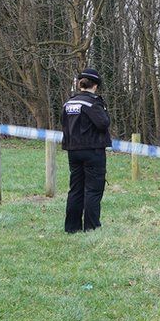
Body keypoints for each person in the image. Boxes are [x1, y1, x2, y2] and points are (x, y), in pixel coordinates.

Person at [60, 68, 112, 233]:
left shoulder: (68, 103)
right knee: (93, 189)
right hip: (92, 151)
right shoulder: (93, 102)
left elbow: (64, 123)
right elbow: (103, 123)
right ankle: (91, 227)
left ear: (80, 84)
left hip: (73, 151)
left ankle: (71, 228)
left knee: (75, 189)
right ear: (95, 86)